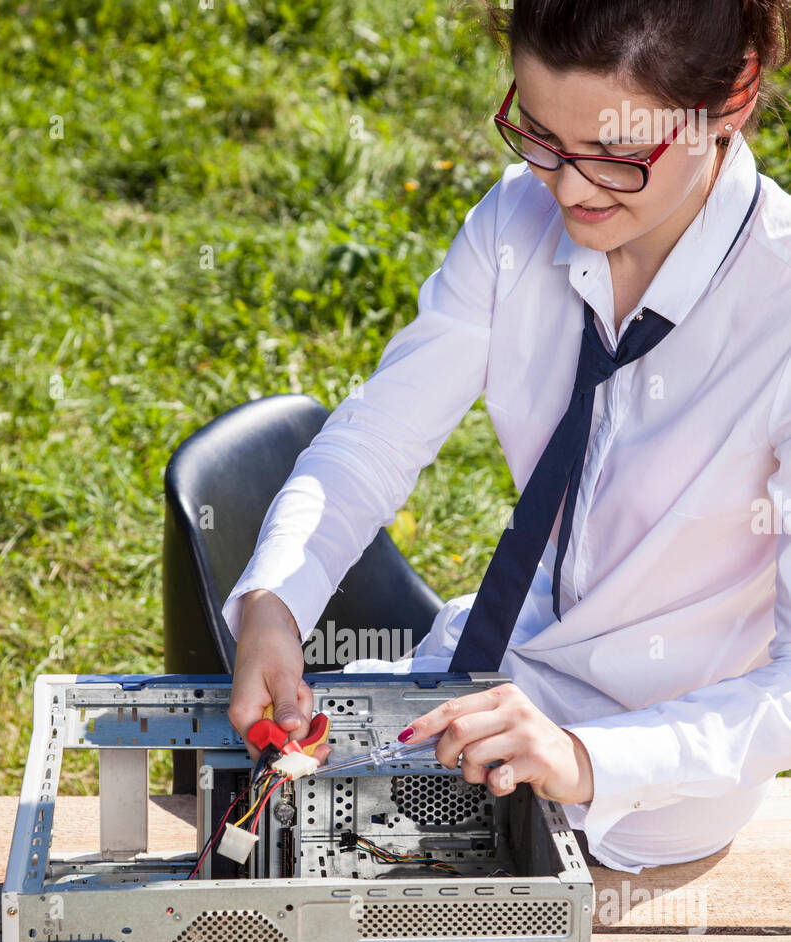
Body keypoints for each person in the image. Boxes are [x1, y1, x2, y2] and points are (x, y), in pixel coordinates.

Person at [222, 0, 791, 873]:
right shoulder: (515, 223)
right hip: (484, 683)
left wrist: (588, 759)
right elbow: (375, 439)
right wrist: (275, 600)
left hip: (656, 781)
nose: (566, 188)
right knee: (258, 857)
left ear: (736, 96)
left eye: (615, 155)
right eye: (539, 134)